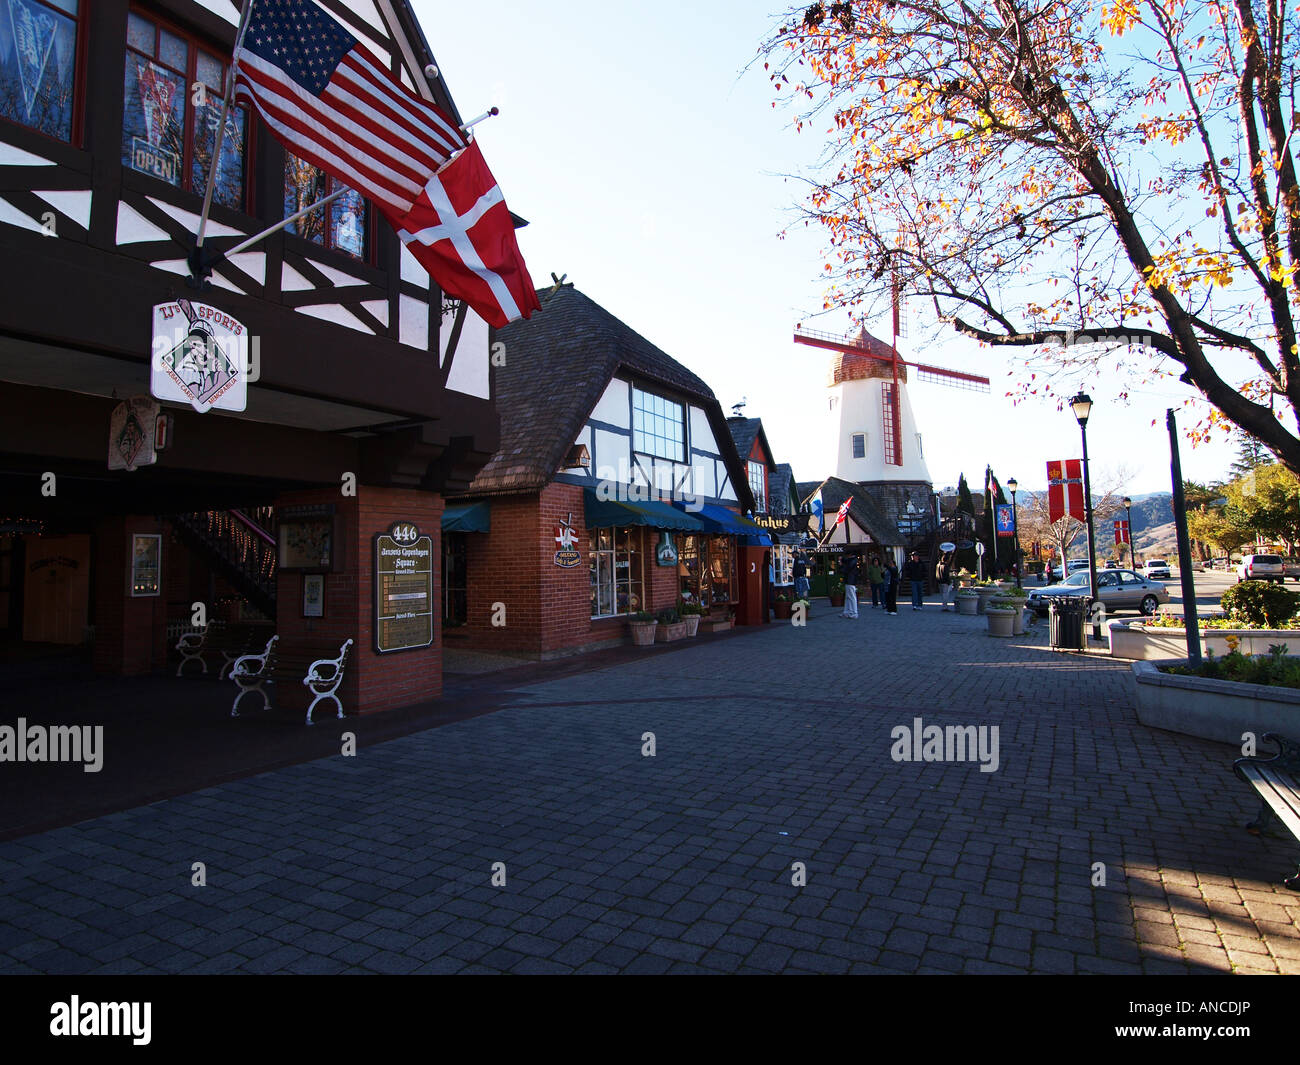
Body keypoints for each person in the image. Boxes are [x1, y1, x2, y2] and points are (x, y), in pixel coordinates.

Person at [841, 553, 860, 618]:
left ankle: (854, 612)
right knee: (848, 597)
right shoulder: (852, 561)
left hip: (851, 580)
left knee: (852, 597)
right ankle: (847, 612)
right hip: (849, 580)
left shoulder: (852, 561)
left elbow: (848, 567)